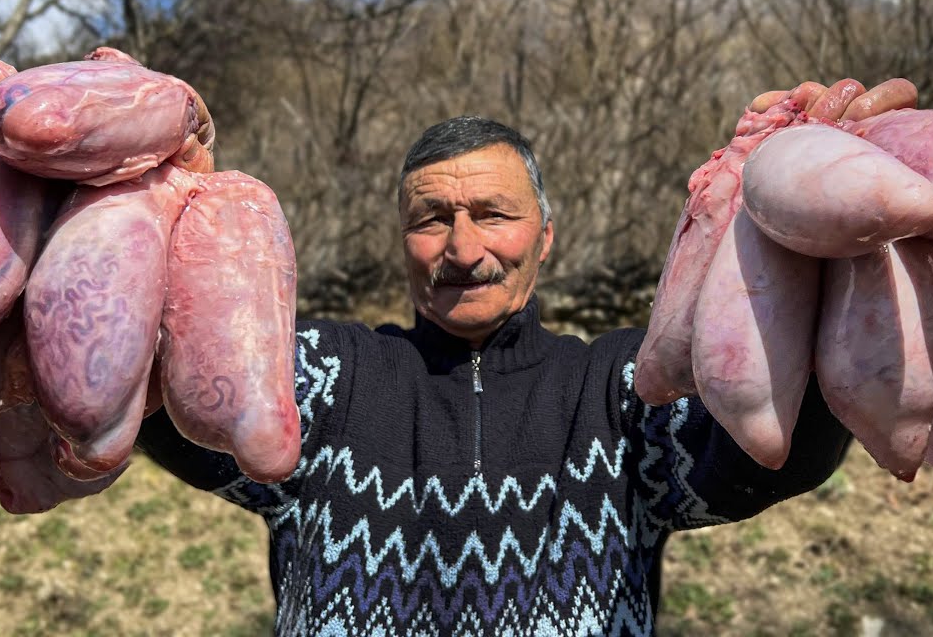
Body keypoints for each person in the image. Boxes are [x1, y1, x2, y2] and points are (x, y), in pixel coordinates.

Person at [135, 111, 853, 635]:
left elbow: (767, 458)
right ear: (403, 243)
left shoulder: (622, 388)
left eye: (493, 213)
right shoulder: (330, 378)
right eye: (432, 219)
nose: (464, 248)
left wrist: (828, 245)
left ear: (544, 237)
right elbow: (175, 411)